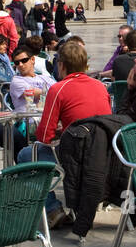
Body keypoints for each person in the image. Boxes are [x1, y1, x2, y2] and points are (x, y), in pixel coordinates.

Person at [16, 39, 112, 228]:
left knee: (25, 155)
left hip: (74, 153)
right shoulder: (100, 86)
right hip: (101, 152)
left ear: (61, 65)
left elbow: (44, 136)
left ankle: (52, 209)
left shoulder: (58, 89)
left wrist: (61, 132)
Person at [8, 44, 55, 109]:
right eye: (17, 63)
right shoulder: (16, 81)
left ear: (32, 59)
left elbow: (59, 91)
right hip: (28, 117)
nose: (20, 65)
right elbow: (38, 94)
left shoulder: (44, 78)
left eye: (24, 60)